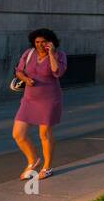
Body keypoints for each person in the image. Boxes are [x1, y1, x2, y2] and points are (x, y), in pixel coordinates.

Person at [11, 28, 67, 178]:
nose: (40, 45)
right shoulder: (28, 53)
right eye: (37, 42)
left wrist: (51, 53)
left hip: (49, 100)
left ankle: (47, 167)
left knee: (44, 134)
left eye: (43, 42)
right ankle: (33, 160)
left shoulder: (59, 55)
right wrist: (25, 79)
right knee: (18, 134)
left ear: (50, 42)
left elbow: (57, 72)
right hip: (29, 100)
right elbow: (18, 71)